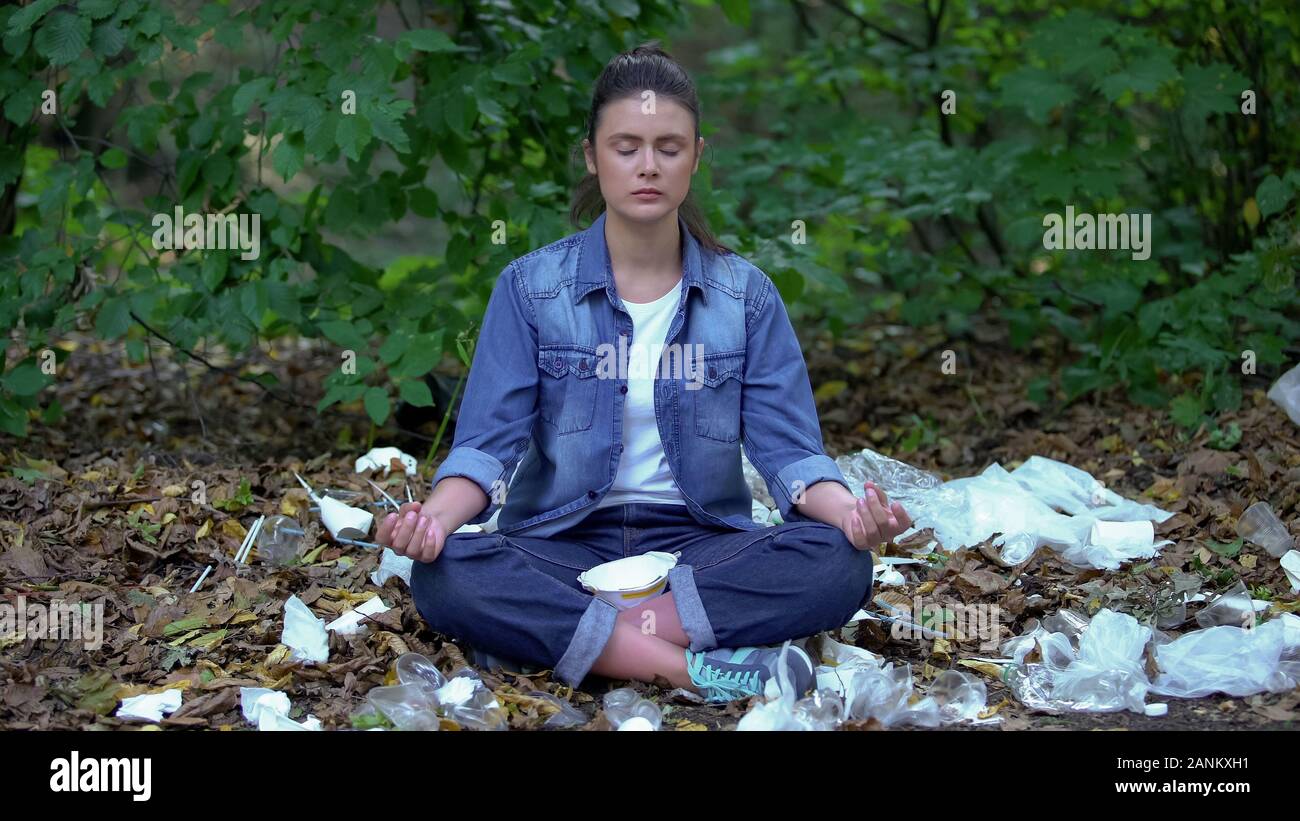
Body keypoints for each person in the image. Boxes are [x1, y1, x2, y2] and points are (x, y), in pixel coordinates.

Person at [375, 42, 912, 704]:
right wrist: (431, 521)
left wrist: (852, 518)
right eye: (626, 146)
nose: (648, 166)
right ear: (592, 156)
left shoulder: (746, 296)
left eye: (669, 146)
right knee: (446, 572)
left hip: (697, 549)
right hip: (561, 545)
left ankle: (597, 641)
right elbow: (486, 448)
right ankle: (687, 668)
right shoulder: (531, 288)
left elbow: (792, 453)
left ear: (696, 156)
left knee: (837, 562)